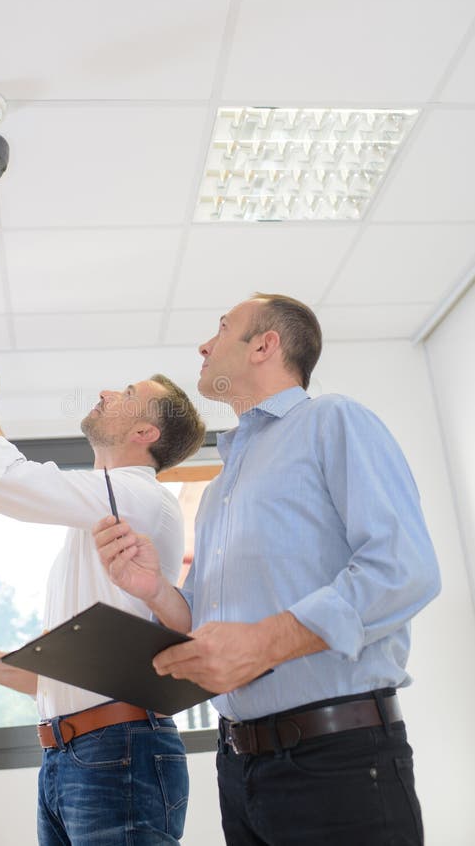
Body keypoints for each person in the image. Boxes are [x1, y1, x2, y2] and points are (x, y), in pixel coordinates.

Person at [93, 293, 442, 846]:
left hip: (339, 763)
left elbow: (404, 568)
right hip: (240, 770)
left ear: (265, 345)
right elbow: (204, 621)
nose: (204, 345)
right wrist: (156, 588)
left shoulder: (334, 421)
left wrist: (266, 642)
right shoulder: (220, 489)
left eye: (223, 327)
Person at [0, 351, 206, 846]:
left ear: (146, 434)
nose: (108, 392)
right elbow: (84, 673)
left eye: (128, 394)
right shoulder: (92, 526)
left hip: (119, 751)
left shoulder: (137, 498)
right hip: (72, 755)